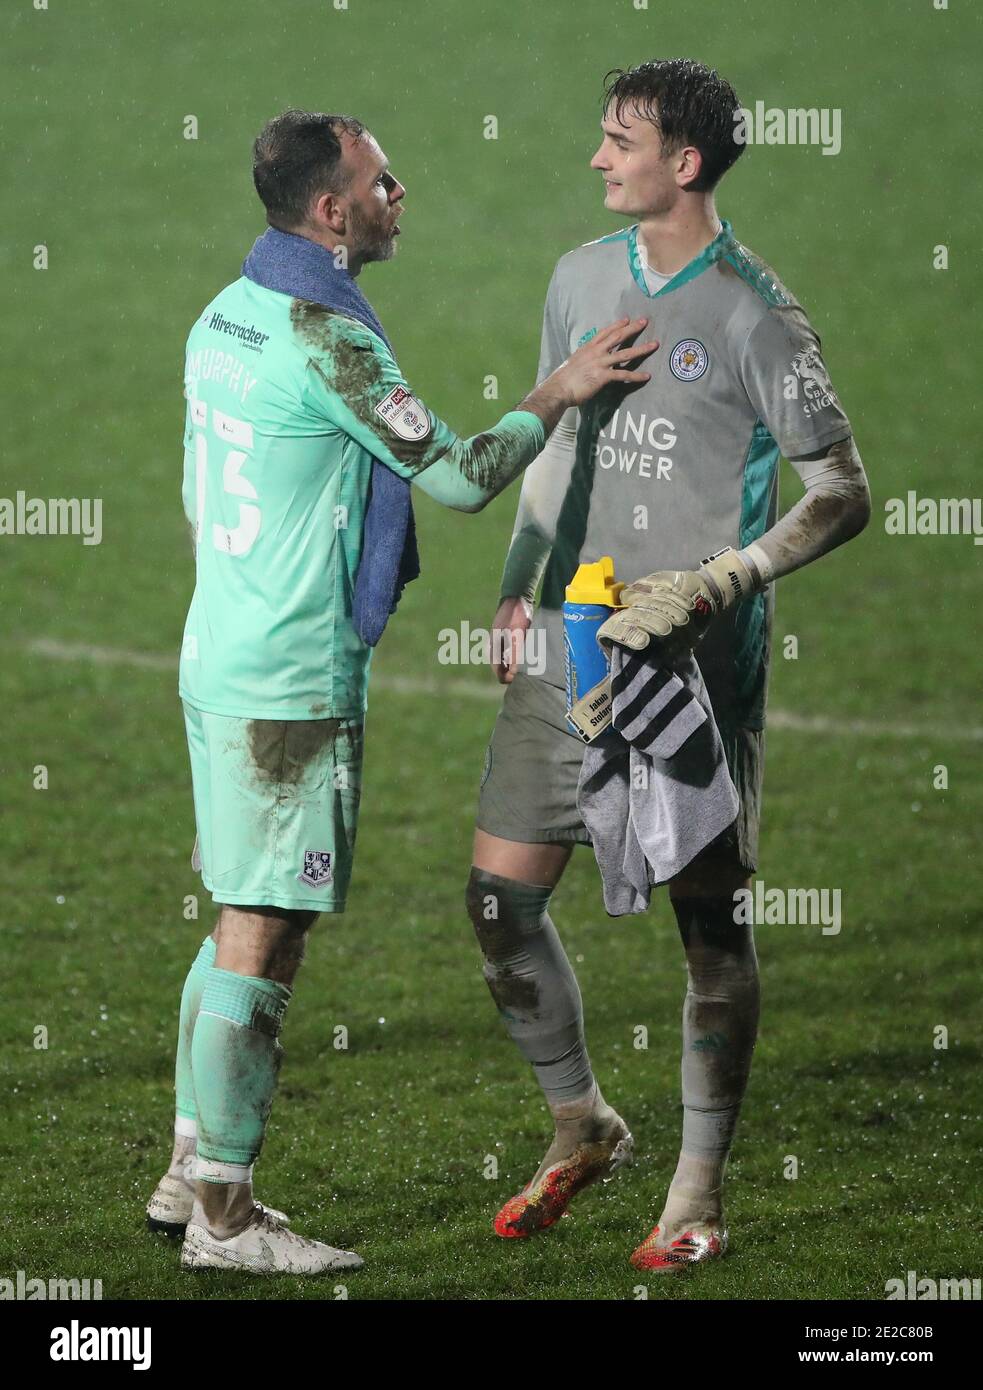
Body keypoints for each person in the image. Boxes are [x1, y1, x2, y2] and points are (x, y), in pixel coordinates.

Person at [146, 108, 657, 1276]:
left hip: (218, 648)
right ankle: (226, 1217)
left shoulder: (222, 314)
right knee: (268, 931)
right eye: (382, 181)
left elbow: (192, 488)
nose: (398, 192)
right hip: (287, 683)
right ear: (330, 211)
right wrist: (561, 386)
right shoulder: (328, 339)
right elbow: (464, 476)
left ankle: (190, 1164)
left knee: (236, 907)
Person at [467, 59, 870, 1272]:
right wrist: (516, 573)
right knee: (497, 902)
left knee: (707, 933)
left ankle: (692, 1192)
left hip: (688, 668)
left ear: (680, 163)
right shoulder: (579, 279)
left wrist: (718, 581)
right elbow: (556, 445)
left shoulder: (755, 314)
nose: (596, 159)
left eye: (617, 141)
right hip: (569, 640)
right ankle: (582, 1121)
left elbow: (841, 492)